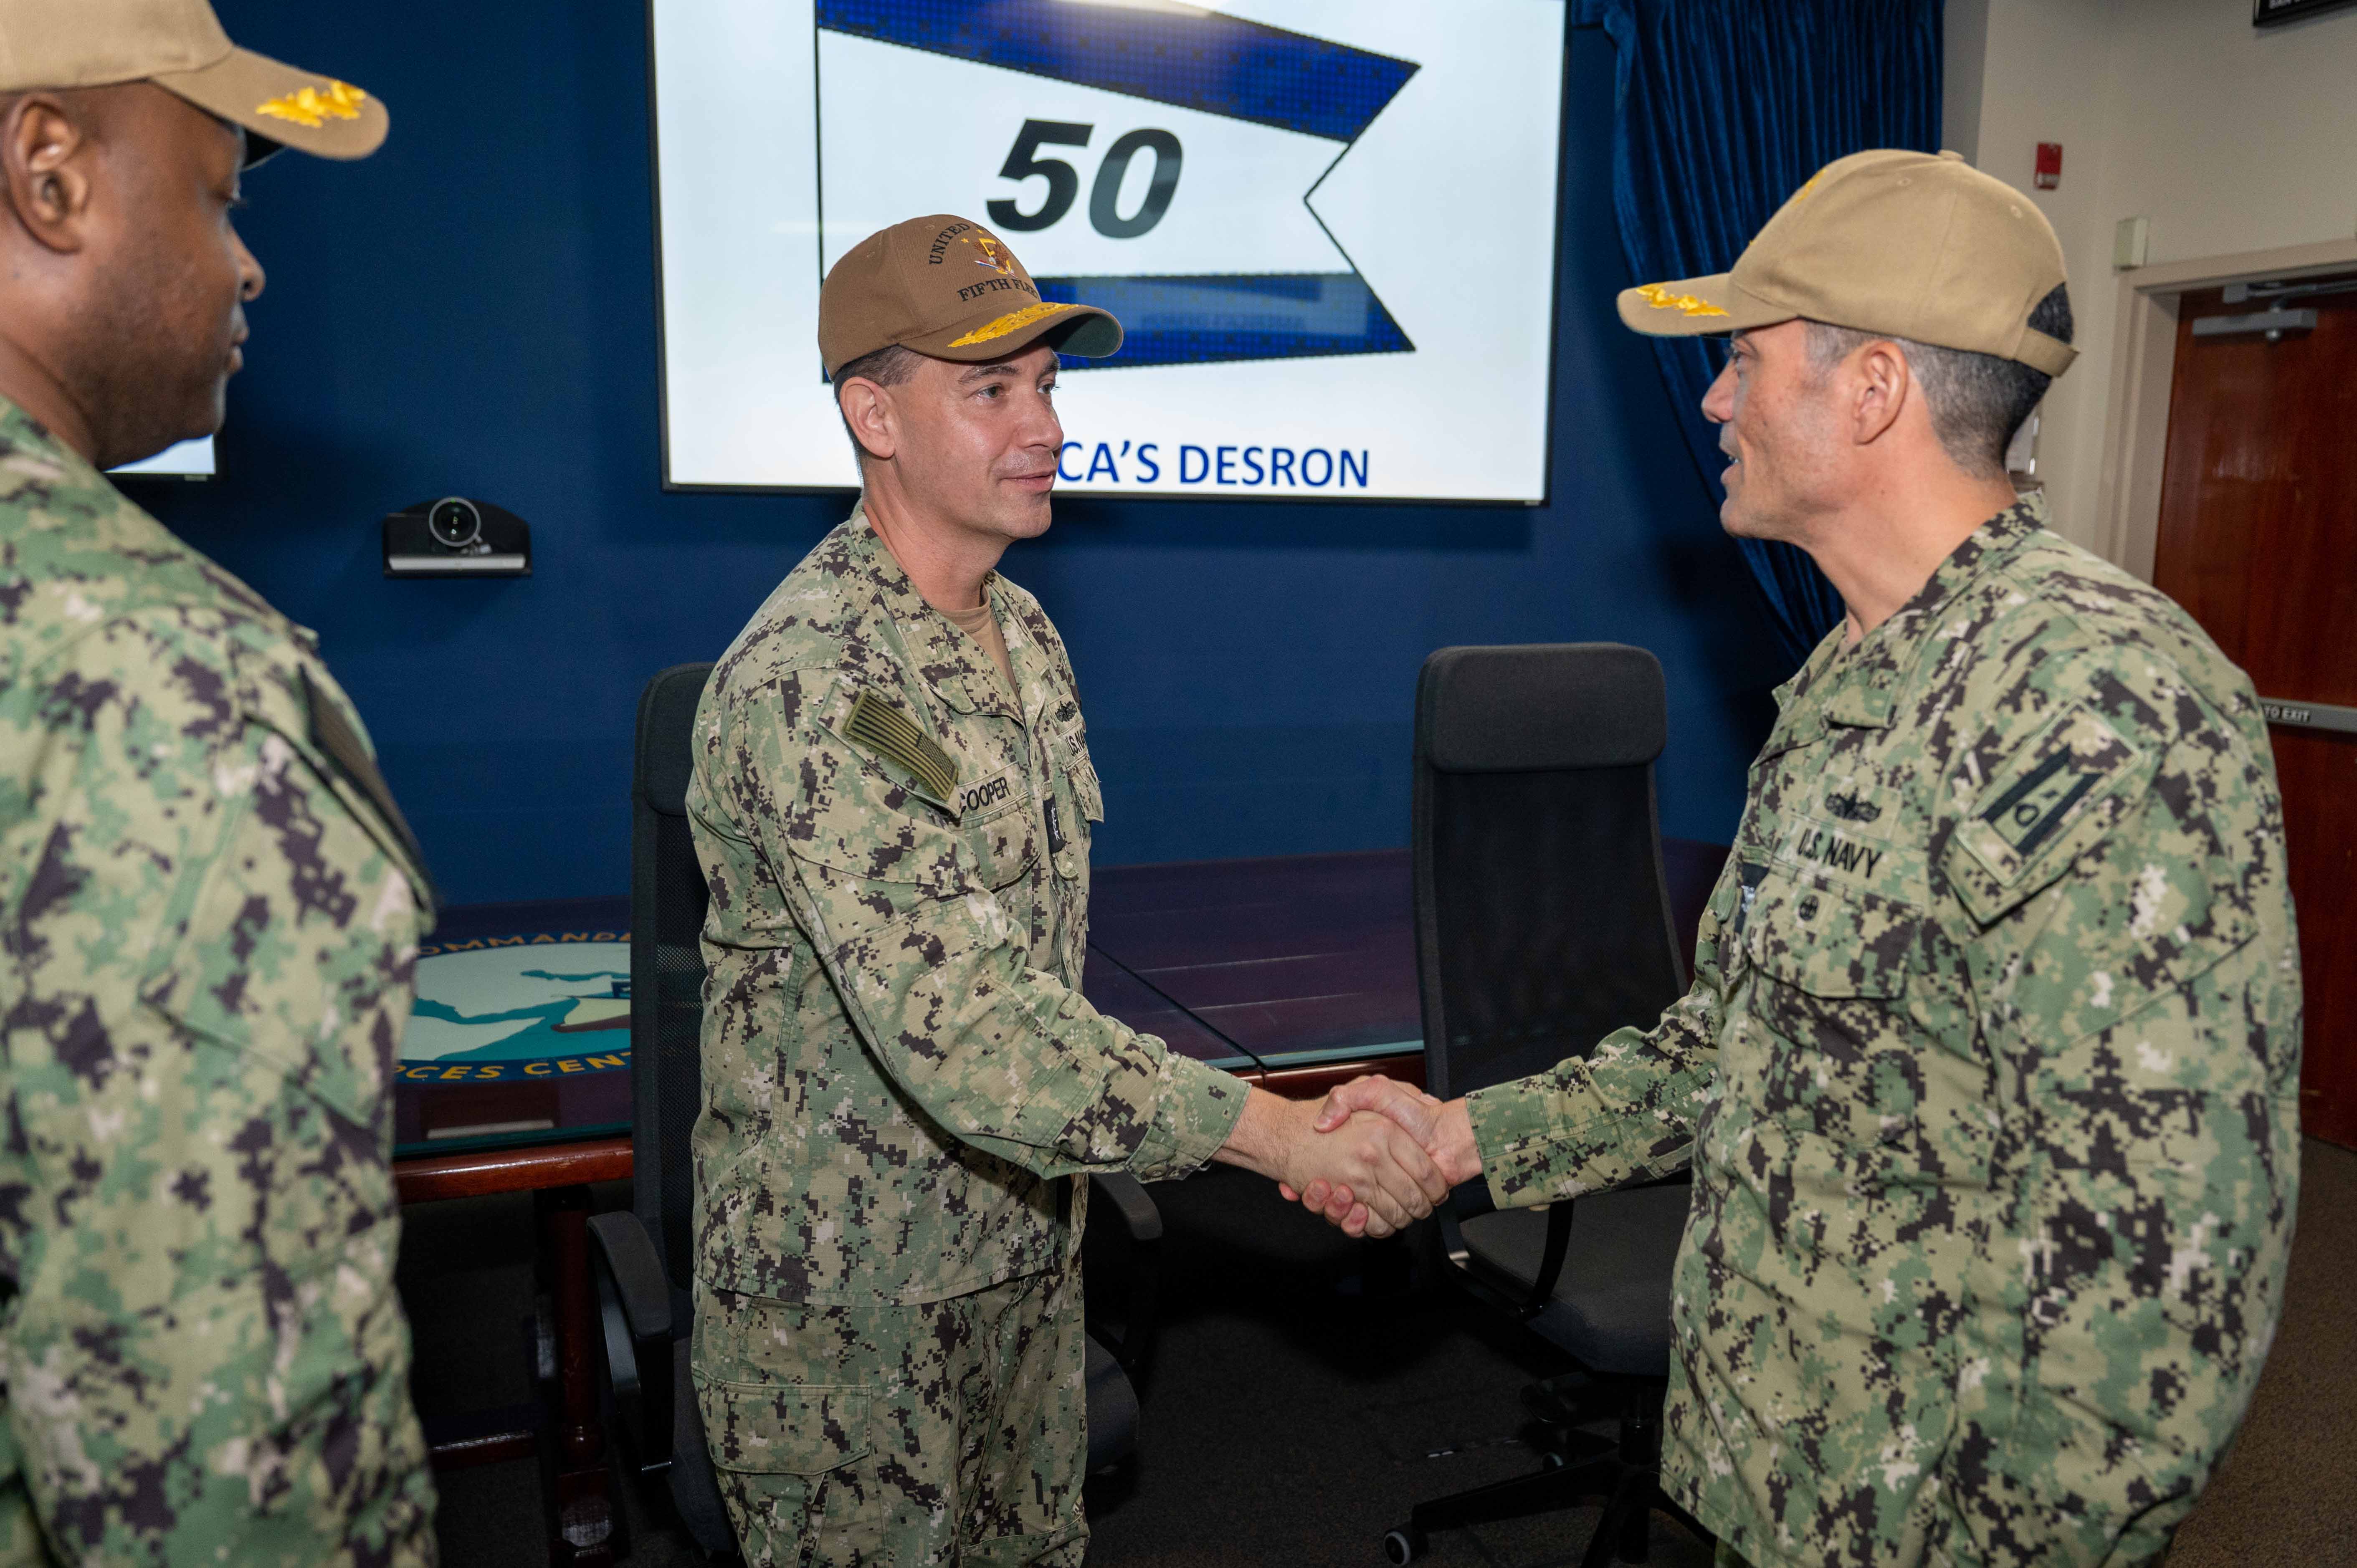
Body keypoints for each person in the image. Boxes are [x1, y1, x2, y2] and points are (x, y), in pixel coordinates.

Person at [1294, 150, 2301, 1568]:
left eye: (1743, 361)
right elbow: (1742, 1051)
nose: (1712, 398)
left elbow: (2156, 1293)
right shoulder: (1849, 673)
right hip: (1762, 1469)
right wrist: (1464, 1137)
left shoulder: (2106, 705)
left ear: (1873, 388)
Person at [686, 213, 1449, 1567]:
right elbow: (972, 1031)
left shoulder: (1025, 634)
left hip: (1027, 1266)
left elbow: (1036, 973)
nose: (1042, 423)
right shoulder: (814, 679)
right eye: (991, 390)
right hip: (852, 1321)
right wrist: (1277, 1137)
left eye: (1048, 384)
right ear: (873, 411)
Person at [0, 3, 438, 1563]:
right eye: (219, 194)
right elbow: (215, 1452)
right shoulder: (158, 677)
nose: (247, 266)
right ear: (50, 175)